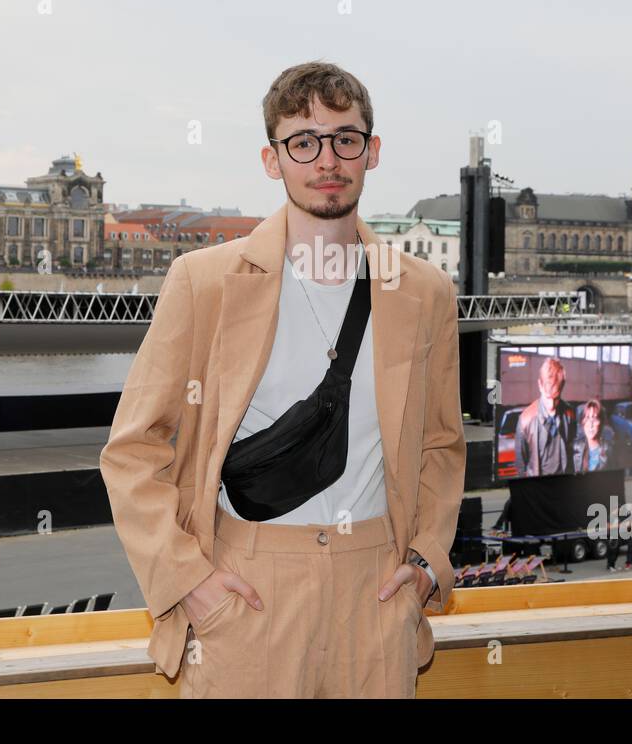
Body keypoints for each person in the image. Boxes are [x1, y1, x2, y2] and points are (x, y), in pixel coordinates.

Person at [99, 62, 465, 698]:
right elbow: (132, 451)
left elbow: (441, 445)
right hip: (248, 590)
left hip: (375, 592)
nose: (327, 160)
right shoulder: (204, 283)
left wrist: (425, 564)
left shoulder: (425, 294)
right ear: (274, 160)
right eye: (304, 142)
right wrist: (191, 582)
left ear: (371, 152)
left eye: (345, 138)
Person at [514, 358, 576, 476]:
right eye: (548, 398)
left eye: (556, 398)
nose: (552, 405)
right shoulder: (525, 420)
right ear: (540, 385)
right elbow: (520, 467)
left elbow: (573, 453)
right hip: (538, 487)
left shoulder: (570, 414)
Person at [573, 398, 610, 473]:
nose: (591, 424)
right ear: (582, 423)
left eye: (595, 418)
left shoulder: (609, 450)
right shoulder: (575, 448)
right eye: (587, 418)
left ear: (601, 423)